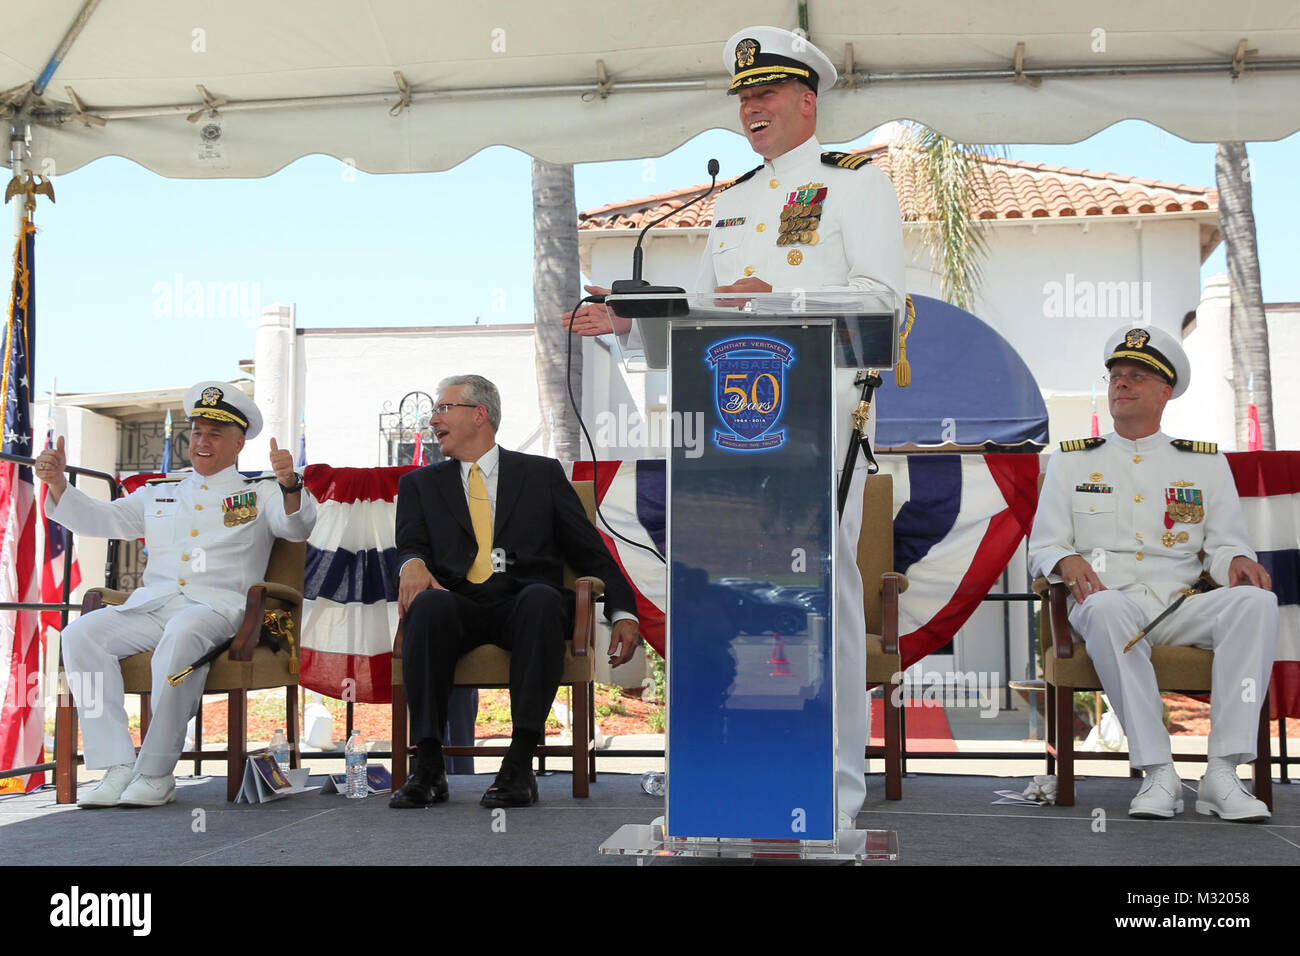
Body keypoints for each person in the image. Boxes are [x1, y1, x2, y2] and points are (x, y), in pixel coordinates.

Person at [564, 25, 906, 827]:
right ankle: (733, 785)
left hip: (818, 427)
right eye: (744, 97)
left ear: (806, 102)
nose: (751, 107)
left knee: (825, 598)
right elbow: (704, 317)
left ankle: (832, 798)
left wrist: (778, 303)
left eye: (766, 93)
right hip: (728, 434)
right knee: (733, 601)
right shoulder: (734, 199)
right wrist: (626, 323)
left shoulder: (855, 184)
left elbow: (880, 303)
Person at [1029, 325, 1278, 821]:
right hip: (1106, 600)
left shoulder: (1203, 464)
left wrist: (1237, 562)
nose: (1121, 384)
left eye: (1136, 376)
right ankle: (1159, 771)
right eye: (1116, 376)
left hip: (1178, 604)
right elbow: (1043, 545)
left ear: (1165, 393)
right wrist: (1066, 560)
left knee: (1256, 602)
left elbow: (1225, 544)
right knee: (1106, 607)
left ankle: (1222, 773)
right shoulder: (1072, 461)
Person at [37, 381, 317, 807]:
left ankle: (155, 772)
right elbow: (101, 520)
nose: (202, 442)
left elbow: (296, 528)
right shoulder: (159, 491)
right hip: (156, 605)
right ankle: (116, 766)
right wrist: (58, 483)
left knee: (183, 633)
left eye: (215, 434)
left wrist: (291, 484)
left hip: (219, 608)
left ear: (239, 442)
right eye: (198, 433)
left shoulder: (259, 492)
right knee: (81, 634)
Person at [390, 374, 640, 809]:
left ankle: (520, 762)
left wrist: (624, 613)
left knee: (542, 599)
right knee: (428, 606)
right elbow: (411, 543)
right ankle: (428, 765)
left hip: (524, 606)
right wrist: (411, 563)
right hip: (458, 607)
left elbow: (591, 554)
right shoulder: (419, 485)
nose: (433, 420)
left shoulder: (541, 475)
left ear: (479, 414)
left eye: (443, 409)